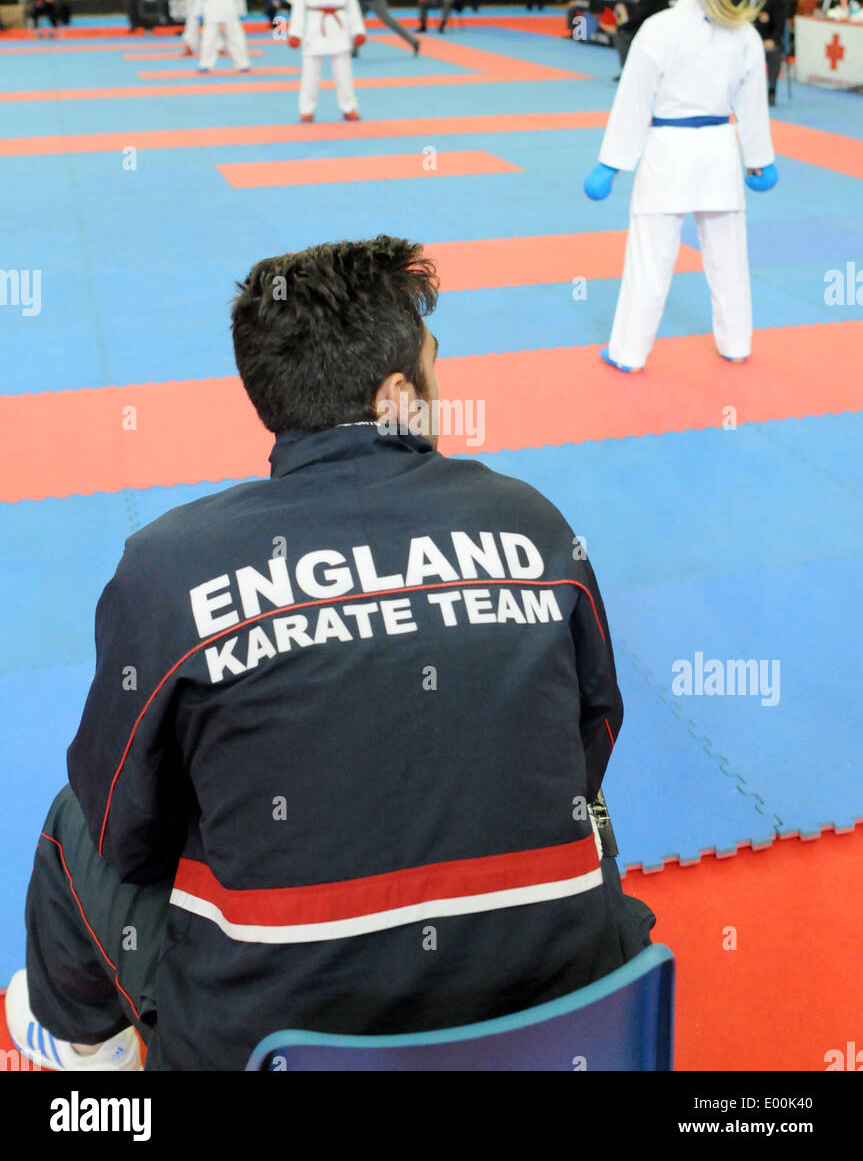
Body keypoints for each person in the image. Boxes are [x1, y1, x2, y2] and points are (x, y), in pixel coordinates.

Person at [8, 234, 654, 1073]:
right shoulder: (530, 521)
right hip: (573, 1013)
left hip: (270, 1046)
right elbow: (588, 745)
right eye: (431, 364)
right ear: (395, 396)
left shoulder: (170, 566)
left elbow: (125, 832)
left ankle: (88, 1052)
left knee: (74, 821)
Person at [583, 0, 777, 373]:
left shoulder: (660, 28)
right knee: (729, 258)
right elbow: (752, 104)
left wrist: (611, 163)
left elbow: (633, 99)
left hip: (668, 154)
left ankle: (629, 352)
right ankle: (736, 342)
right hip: (719, 152)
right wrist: (759, 157)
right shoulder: (743, 33)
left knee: (650, 259)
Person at [287, 0, 365, 121]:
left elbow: (352, 2)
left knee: (343, 70)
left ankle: (349, 106)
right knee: (310, 71)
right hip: (315, 21)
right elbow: (299, 4)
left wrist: (358, 29)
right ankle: (307, 108)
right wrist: (295, 32)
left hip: (338, 21)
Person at [607, 0, 668, 78]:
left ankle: (627, 71)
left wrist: (620, 27)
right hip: (652, 26)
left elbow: (639, 16)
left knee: (622, 36)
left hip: (652, 29)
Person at [741, 0, 784, 104]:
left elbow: (779, 23)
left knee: (774, 53)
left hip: (766, 40)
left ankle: (771, 90)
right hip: (745, 41)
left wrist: (773, 40)